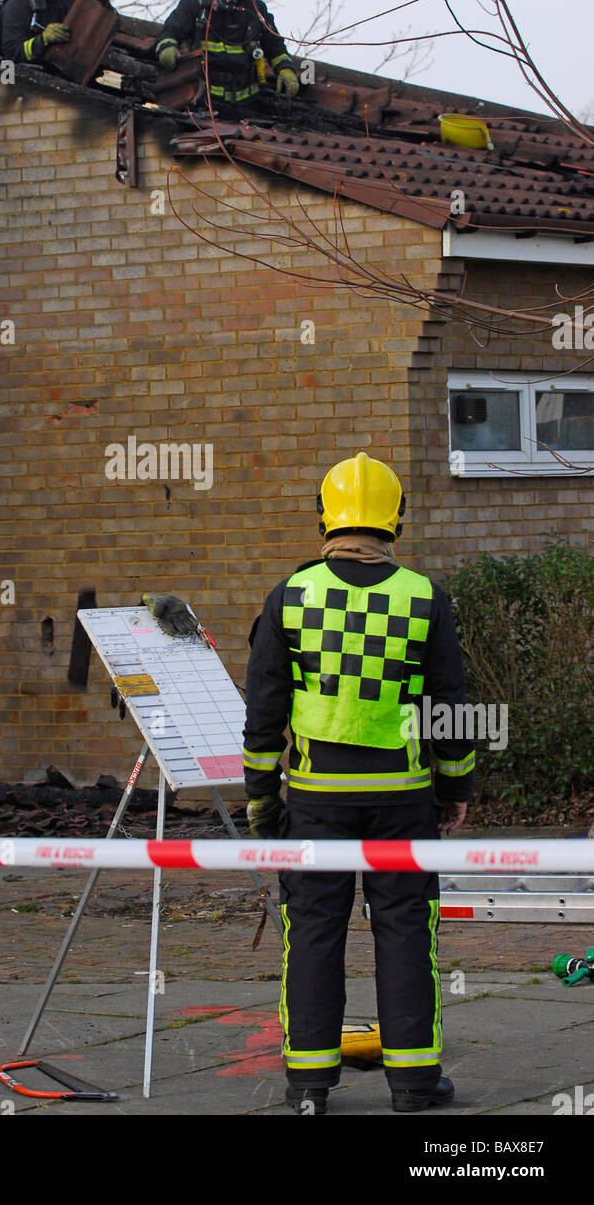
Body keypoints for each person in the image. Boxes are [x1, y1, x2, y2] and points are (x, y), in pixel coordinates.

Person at [243, 452, 475, 1115]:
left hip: (316, 801)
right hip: (403, 798)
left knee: (313, 928)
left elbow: (264, 708)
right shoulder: (424, 597)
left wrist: (262, 799)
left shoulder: (291, 596)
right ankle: (413, 1085)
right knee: (406, 928)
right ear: (395, 518)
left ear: (325, 516)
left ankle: (310, 1086)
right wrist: (457, 788)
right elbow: (449, 704)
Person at [154, 0, 300, 112]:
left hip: (247, 107)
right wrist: (167, 48)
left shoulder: (255, 10)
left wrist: (285, 68)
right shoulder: (193, 6)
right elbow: (170, 31)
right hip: (203, 104)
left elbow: (274, 44)